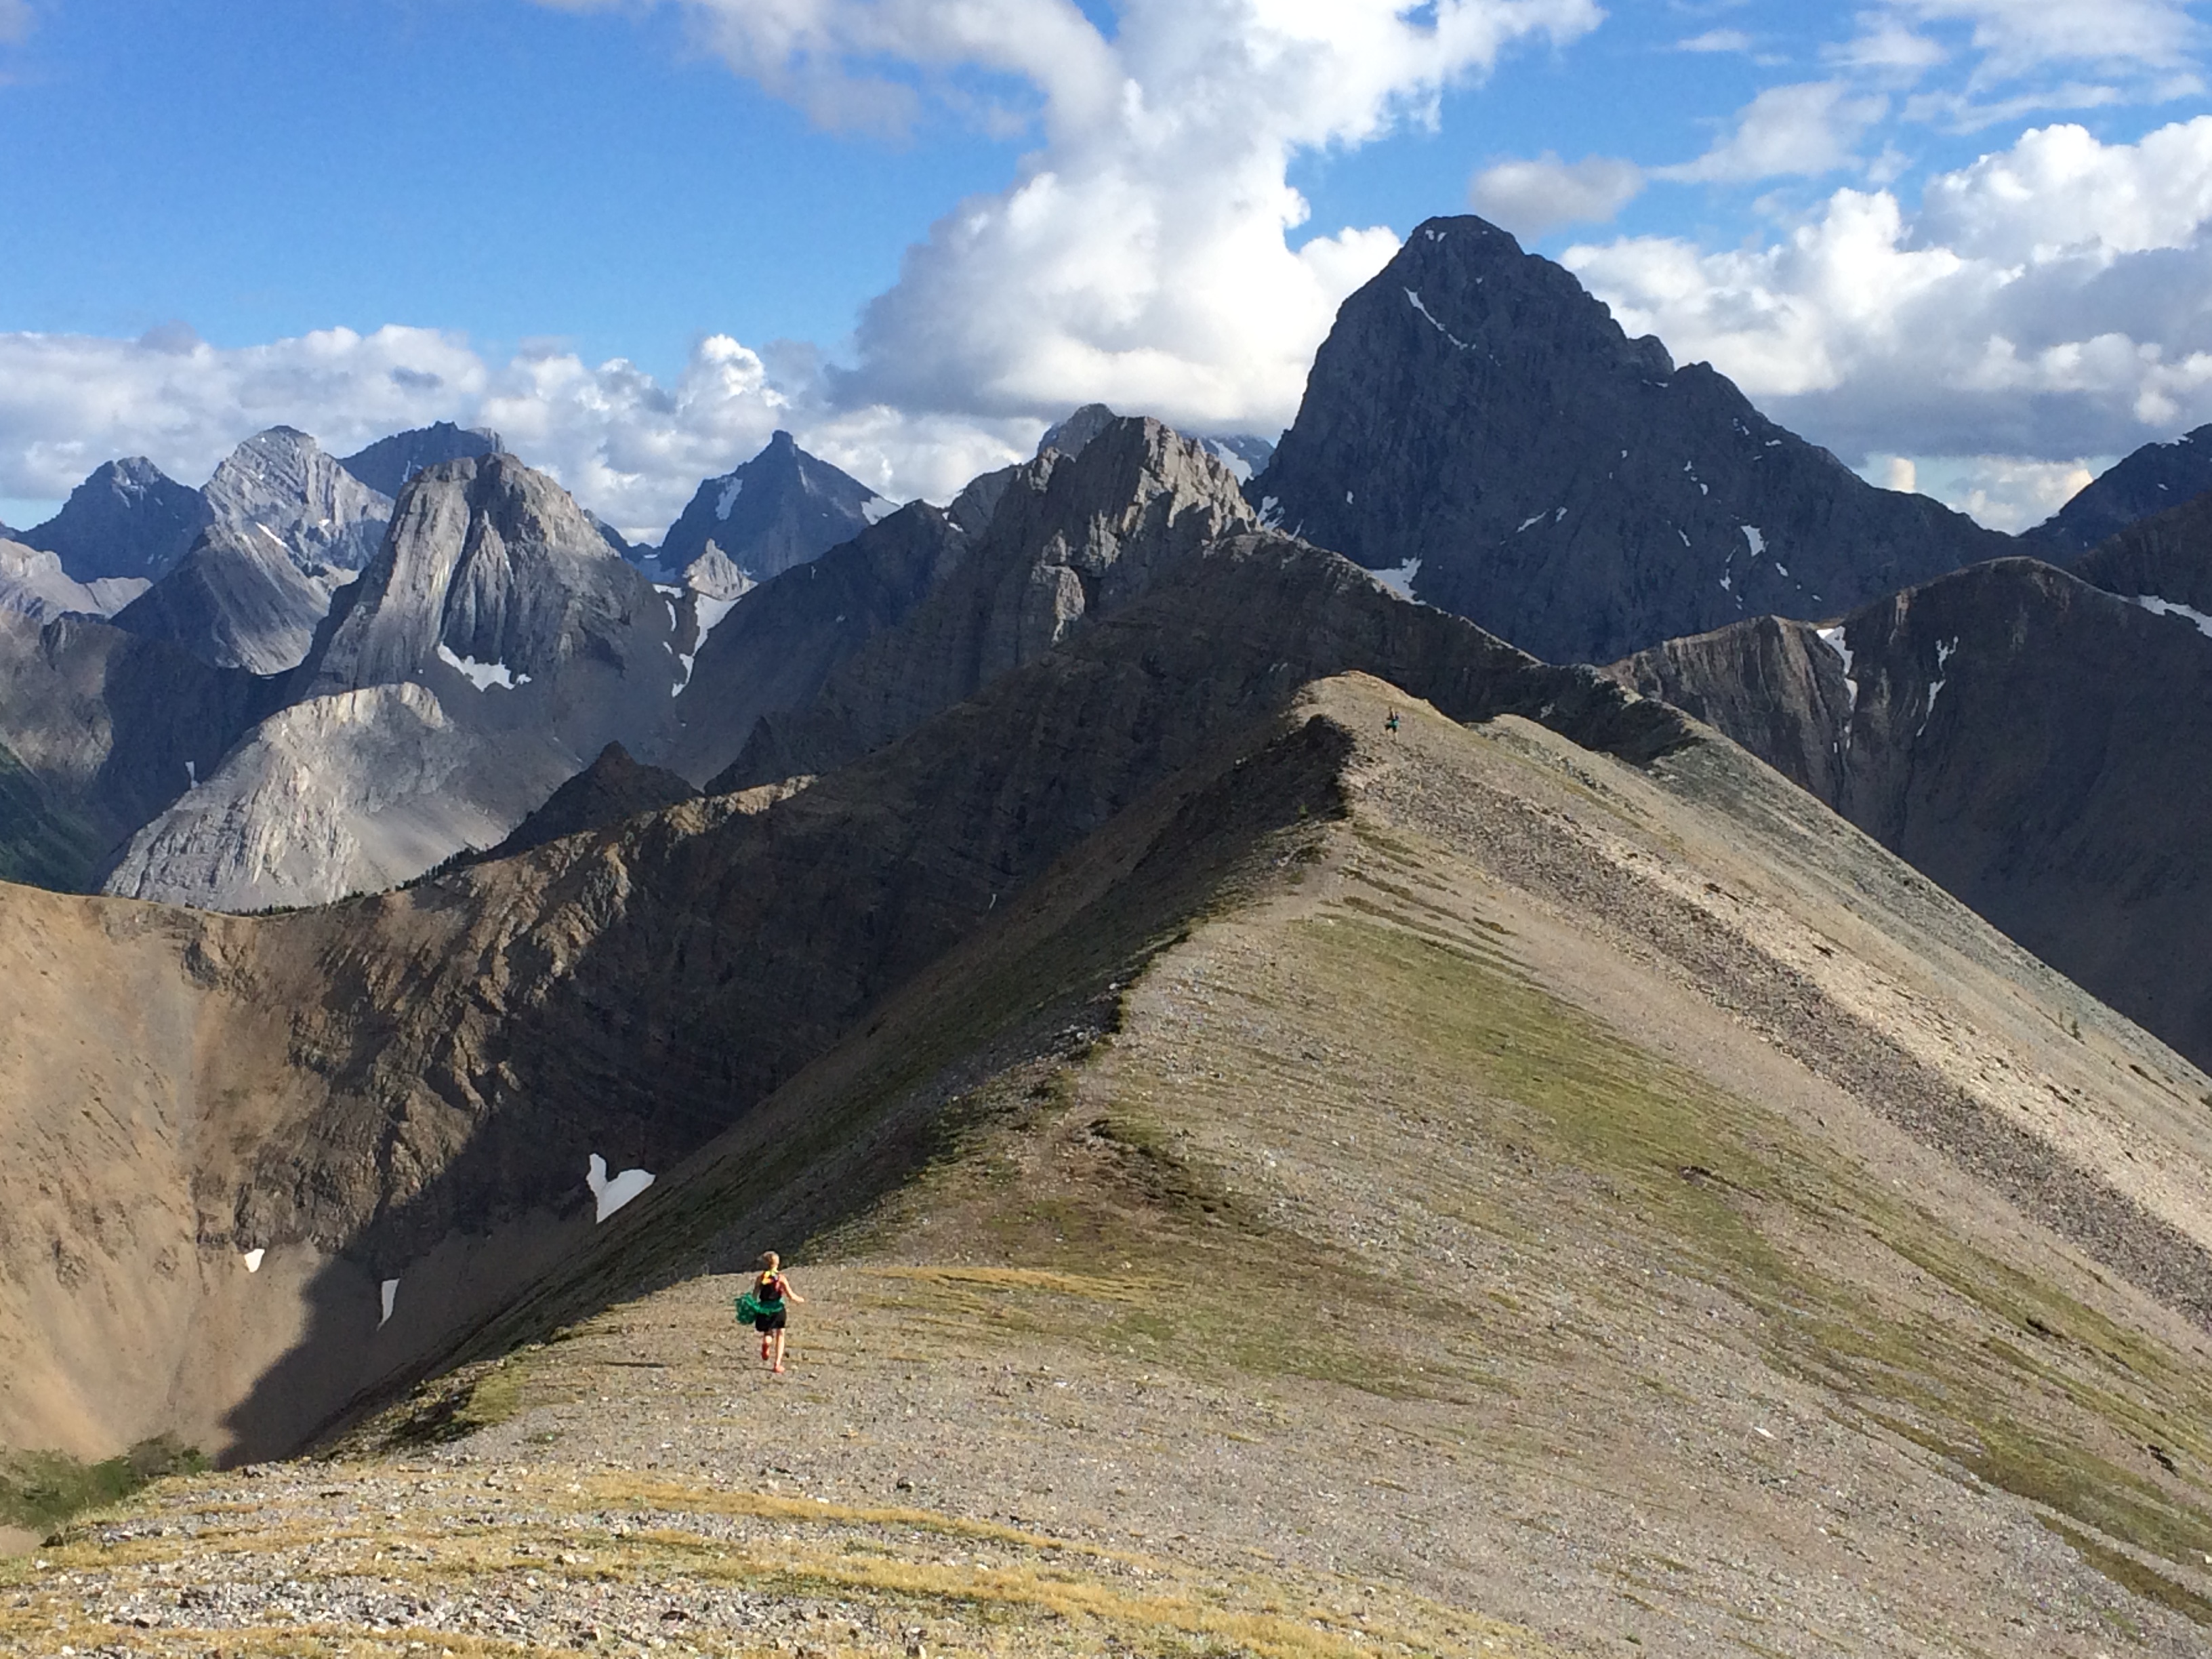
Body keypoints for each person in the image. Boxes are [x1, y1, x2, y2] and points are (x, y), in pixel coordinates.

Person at [736, 1252, 804, 1374]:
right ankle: (777, 1364)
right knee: (781, 1334)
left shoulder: (761, 1278)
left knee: (768, 1332)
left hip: (764, 1309)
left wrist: (751, 1305)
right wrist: (800, 1300)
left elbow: (754, 1295)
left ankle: (766, 1344)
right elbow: (791, 1296)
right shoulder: (781, 1278)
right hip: (778, 1309)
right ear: (777, 1263)